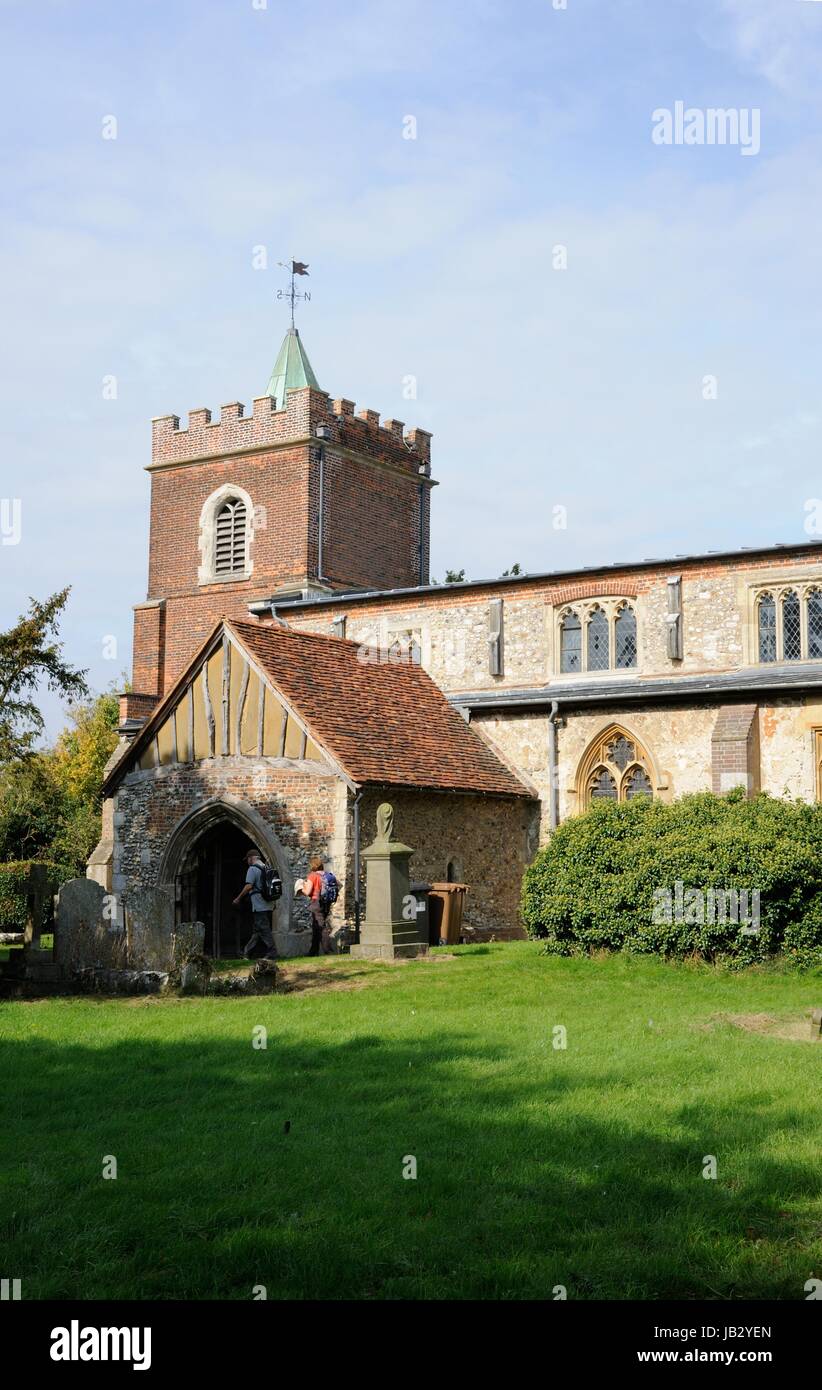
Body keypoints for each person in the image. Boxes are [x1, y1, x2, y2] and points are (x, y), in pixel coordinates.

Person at [233, 848, 278, 960]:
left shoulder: (252, 869)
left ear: (251, 858)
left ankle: (272, 953)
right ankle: (246, 953)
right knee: (257, 930)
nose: (247, 861)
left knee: (264, 929)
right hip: (268, 903)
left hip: (259, 905)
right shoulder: (267, 867)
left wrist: (238, 898)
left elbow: (249, 886)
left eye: (247, 859)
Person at [305, 856, 333, 956]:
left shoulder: (312, 876)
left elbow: (307, 891)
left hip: (316, 902)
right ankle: (313, 951)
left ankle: (328, 950)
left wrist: (300, 888)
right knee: (316, 926)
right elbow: (339, 885)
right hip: (326, 903)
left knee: (321, 927)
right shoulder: (327, 874)